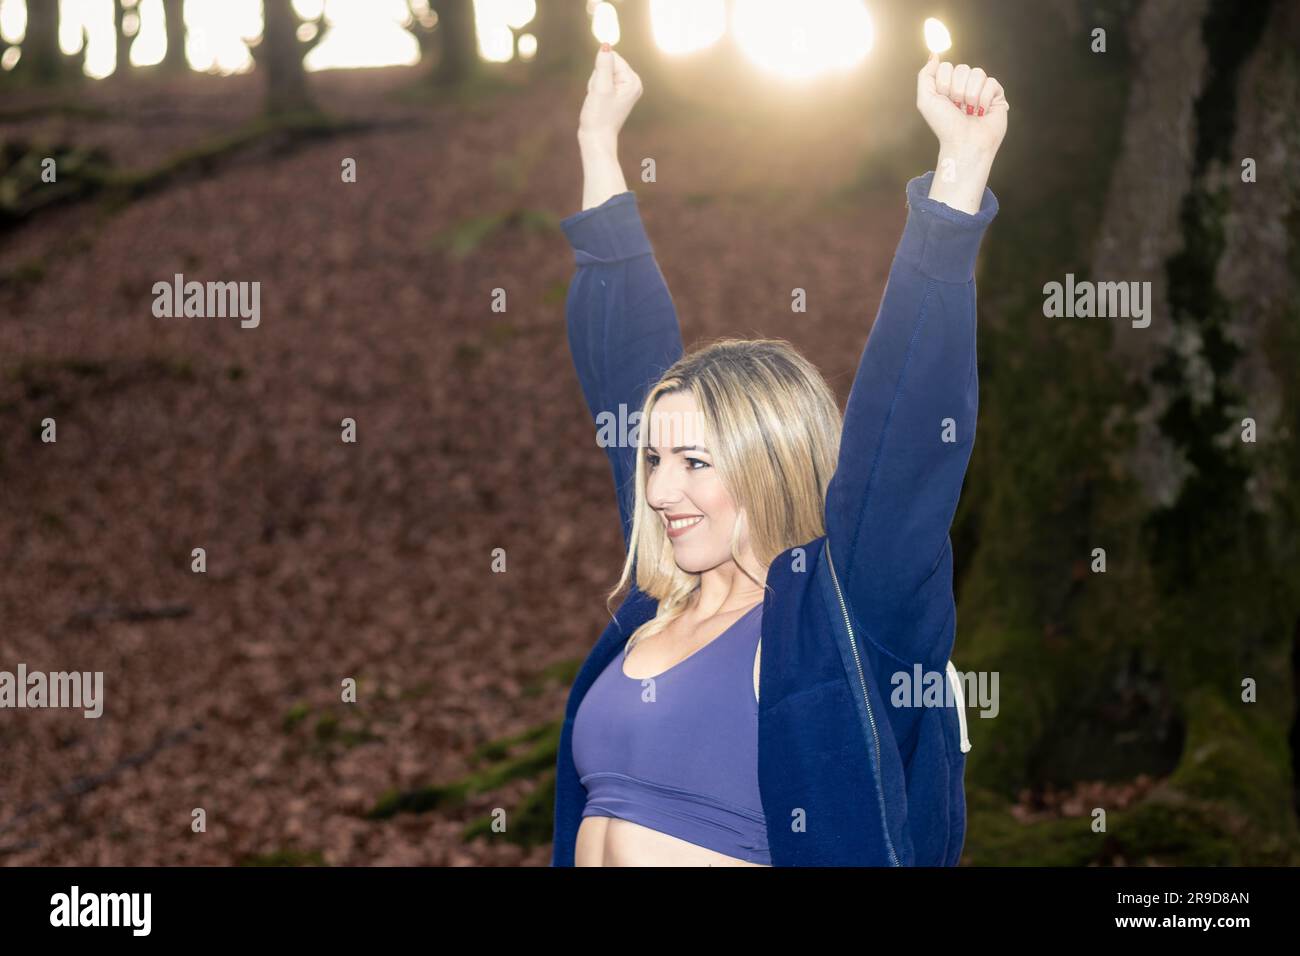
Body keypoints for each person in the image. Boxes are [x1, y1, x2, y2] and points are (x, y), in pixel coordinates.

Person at [554, 41, 1008, 867]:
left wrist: (957, 179)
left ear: (767, 465)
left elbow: (904, 444)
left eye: (695, 462)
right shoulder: (658, 604)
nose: (658, 489)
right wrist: (597, 147)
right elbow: (624, 367)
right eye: (653, 460)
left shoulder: (837, 619)